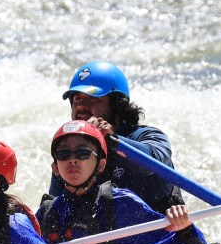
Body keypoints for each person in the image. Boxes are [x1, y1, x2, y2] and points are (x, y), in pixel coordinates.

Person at [36, 120, 210, 244]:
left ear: (101, 164)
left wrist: (185, 230)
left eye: (82, 153)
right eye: (64, 155)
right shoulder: (49, 213)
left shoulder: (119, 205)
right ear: (55, 167)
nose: (73, 161)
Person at [59, 61, 186, 218]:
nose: (82, 106)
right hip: (103, 238)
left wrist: (112, 140)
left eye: (93, 98)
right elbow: (56, 209)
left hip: (158, 235)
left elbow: (155, 162)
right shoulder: (68, 152)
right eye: (77, 99)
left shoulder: (148, 136)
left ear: (117, 105)